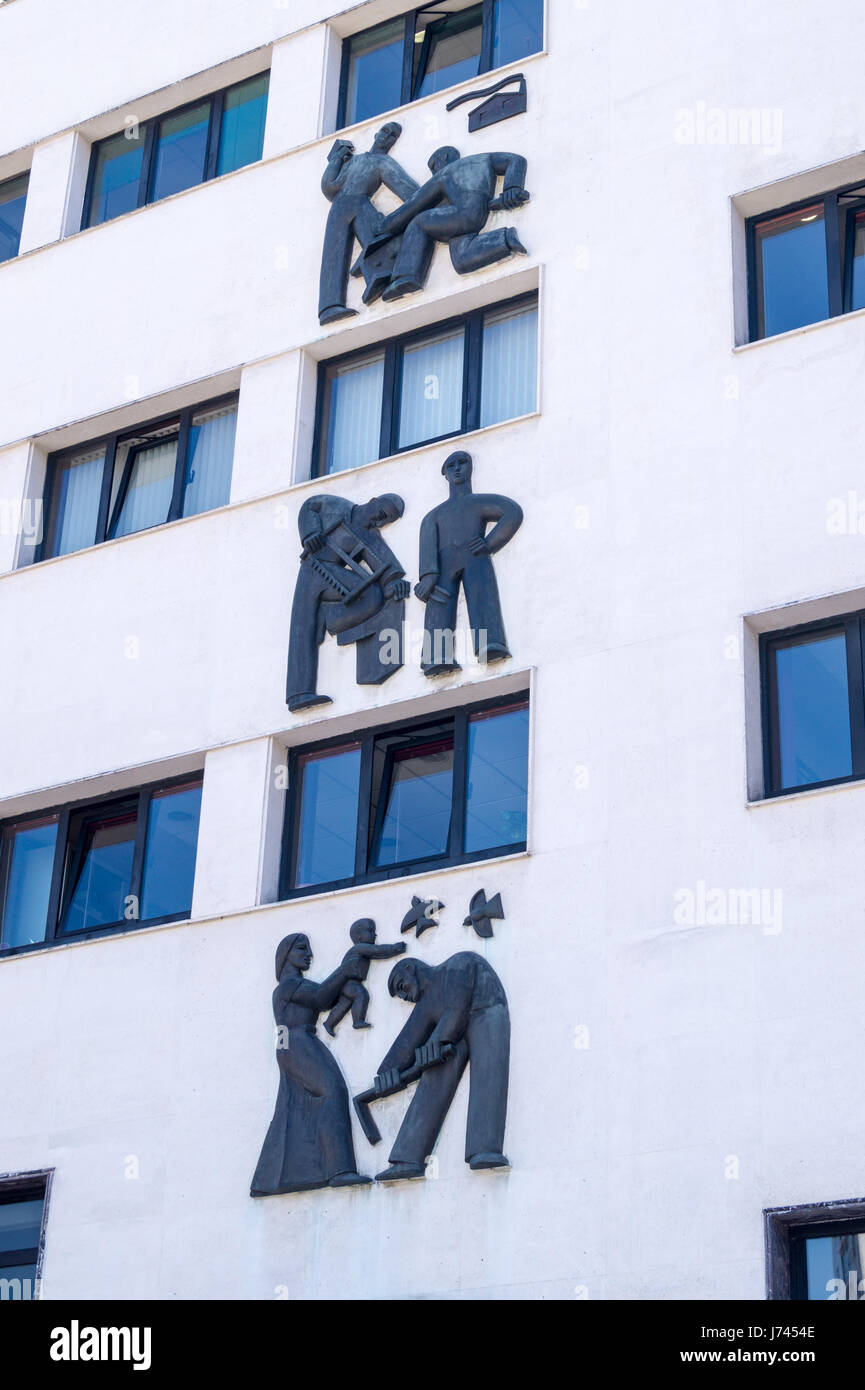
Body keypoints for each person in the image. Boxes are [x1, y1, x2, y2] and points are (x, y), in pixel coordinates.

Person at [250, 933, 372, 1196]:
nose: (309, 955)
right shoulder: (287, 987)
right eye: (302, 949)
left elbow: (324, 995)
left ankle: (292, 1174)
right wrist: (344, 971)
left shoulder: (297, 985)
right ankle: (339, 1171)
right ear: (286, 955)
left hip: (301, 1040)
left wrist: (347, 983)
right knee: (332, 1091)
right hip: (294, 1042)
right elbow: (320, 998)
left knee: (299, 1104)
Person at [373, 953, 511, 1182]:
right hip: (452, 1033)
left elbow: (455, 1011)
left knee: (488, 1072)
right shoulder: (426, 1004)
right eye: (400, 994)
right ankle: (407, 1158)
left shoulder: (458, 965)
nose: (405, 996)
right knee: (433, 1075)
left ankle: (484, 1149)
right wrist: (386, 1074)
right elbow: (407, 1041)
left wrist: (434, 1043)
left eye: (402, 986)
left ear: (411, 969)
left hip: (486, 1009)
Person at [286, 492, 409, 711]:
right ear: (373, 501)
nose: (379, 521)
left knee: (373, 596)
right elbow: (310, 505)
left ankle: (332, 619)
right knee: (303, 626)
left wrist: (394, 582)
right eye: (381, 514)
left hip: (332, 574)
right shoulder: (338, 506)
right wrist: (310, 533)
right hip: (313, 566)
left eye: (386, 520)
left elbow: (386, 564)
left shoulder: (370, 535)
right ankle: (299, 694)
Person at [367, 145, 529, 302]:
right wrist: (512, 187)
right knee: (462, 260)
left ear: (443, 158)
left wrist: (383, 226)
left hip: (462, 213)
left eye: (433, 165)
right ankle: (505, 239)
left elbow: (413, 206)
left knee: (418, 222)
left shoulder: (445, 173)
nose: (433, 171)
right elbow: (515, 159)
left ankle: (407, 276)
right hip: (477, 214)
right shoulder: (485, 159)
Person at [415, 451, 523, 675]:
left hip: (475, 557)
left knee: (482, 596)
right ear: (445, 474)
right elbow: (427, 547)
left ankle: (490, 644)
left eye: (462, 463)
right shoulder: (434, 515)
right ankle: (436, 656)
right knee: (439, 602)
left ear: (470, 468)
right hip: (443, 565)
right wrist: (428, 577)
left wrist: (489, 543)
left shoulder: (478, 503)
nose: (457, 469)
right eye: (451, 465)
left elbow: (512, 512)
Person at [318, 122, 419, 324]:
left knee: (377, 244)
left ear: (393, 141)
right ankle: (329, 307)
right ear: (376, 134)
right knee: (333, 253)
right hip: (339, 205)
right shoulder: (353, 161)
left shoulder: (383, 163)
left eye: (392, 135)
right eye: (385, 131)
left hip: (361, 205)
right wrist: (336, 160)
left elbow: (408, 191)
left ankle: (381, 277)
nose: (387, 136)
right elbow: (330, 188)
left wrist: (434, 194)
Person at [323, 919, 407, 1036]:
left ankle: (329, 1023)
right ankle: (358, 1021)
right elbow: (378, 951)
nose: (375, 934)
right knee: (361, 994)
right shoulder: (359, 948)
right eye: (370, 931)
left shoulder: (360, 949)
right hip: (349, 981)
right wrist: (395, 948)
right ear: (359, 937)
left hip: (348, 982)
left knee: (345, 1003)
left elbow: (378, 953)